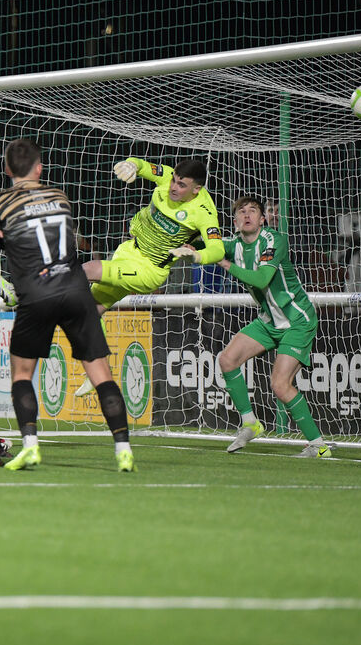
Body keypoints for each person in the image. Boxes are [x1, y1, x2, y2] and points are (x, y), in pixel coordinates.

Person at [0, 138, 135, 472]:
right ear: (40, 167)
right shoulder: (60, 197)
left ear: (6, 169)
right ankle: (123, 449)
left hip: (37, 295)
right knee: (100, 372)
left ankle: (30, 445)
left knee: (22, 374)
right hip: (75, 290)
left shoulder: (1, 201)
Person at [76, 155, 224, 396]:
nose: (174, 187)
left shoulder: (204, 211)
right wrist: (132, 165)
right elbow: (143, 166)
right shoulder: (167, 177)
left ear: (197, 189)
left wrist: (196, 257)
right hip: (129, 251)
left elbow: (217, 250)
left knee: (89, 269)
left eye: (181, 185)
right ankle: (97, 373)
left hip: (148, 270)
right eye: (174, 180)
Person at [213, 196, 330, 458]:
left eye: (252, 211)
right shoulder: (234, 245)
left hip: (297, 321)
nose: (247, 215)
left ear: (262, 219)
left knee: (279, 385)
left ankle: (318, 445)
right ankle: (250, 423)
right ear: (235, 221)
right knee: (228, 359)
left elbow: (263, 278)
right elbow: (208, 246)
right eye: (241, 212)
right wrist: (187, 243)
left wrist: (225, 263)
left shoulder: (273, 240)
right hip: (269, 321)